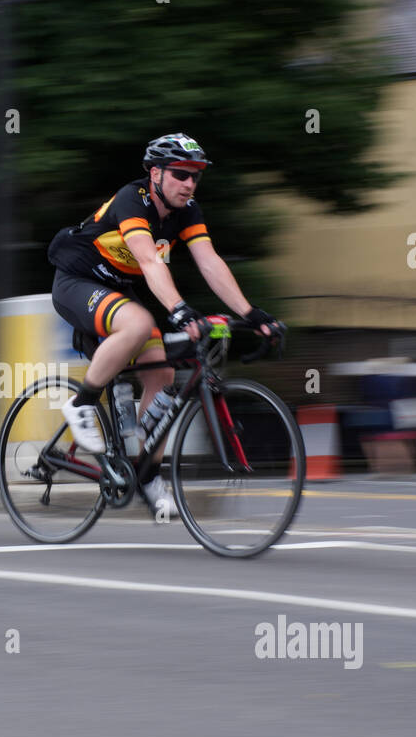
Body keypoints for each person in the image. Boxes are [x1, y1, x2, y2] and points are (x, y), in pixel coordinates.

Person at [47, 133, 285, 517]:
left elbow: (209, 262)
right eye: (180, 174)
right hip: (77, 281)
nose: (189, 183)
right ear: (155, 173)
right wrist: (179, 309)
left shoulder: (188, 210)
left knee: (163, 378)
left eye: (195, 176)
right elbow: (150, 261)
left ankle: (144, 473)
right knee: (140, 323)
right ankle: (80, 404)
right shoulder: (132, 199)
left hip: (118, 289)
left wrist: (252, 314)